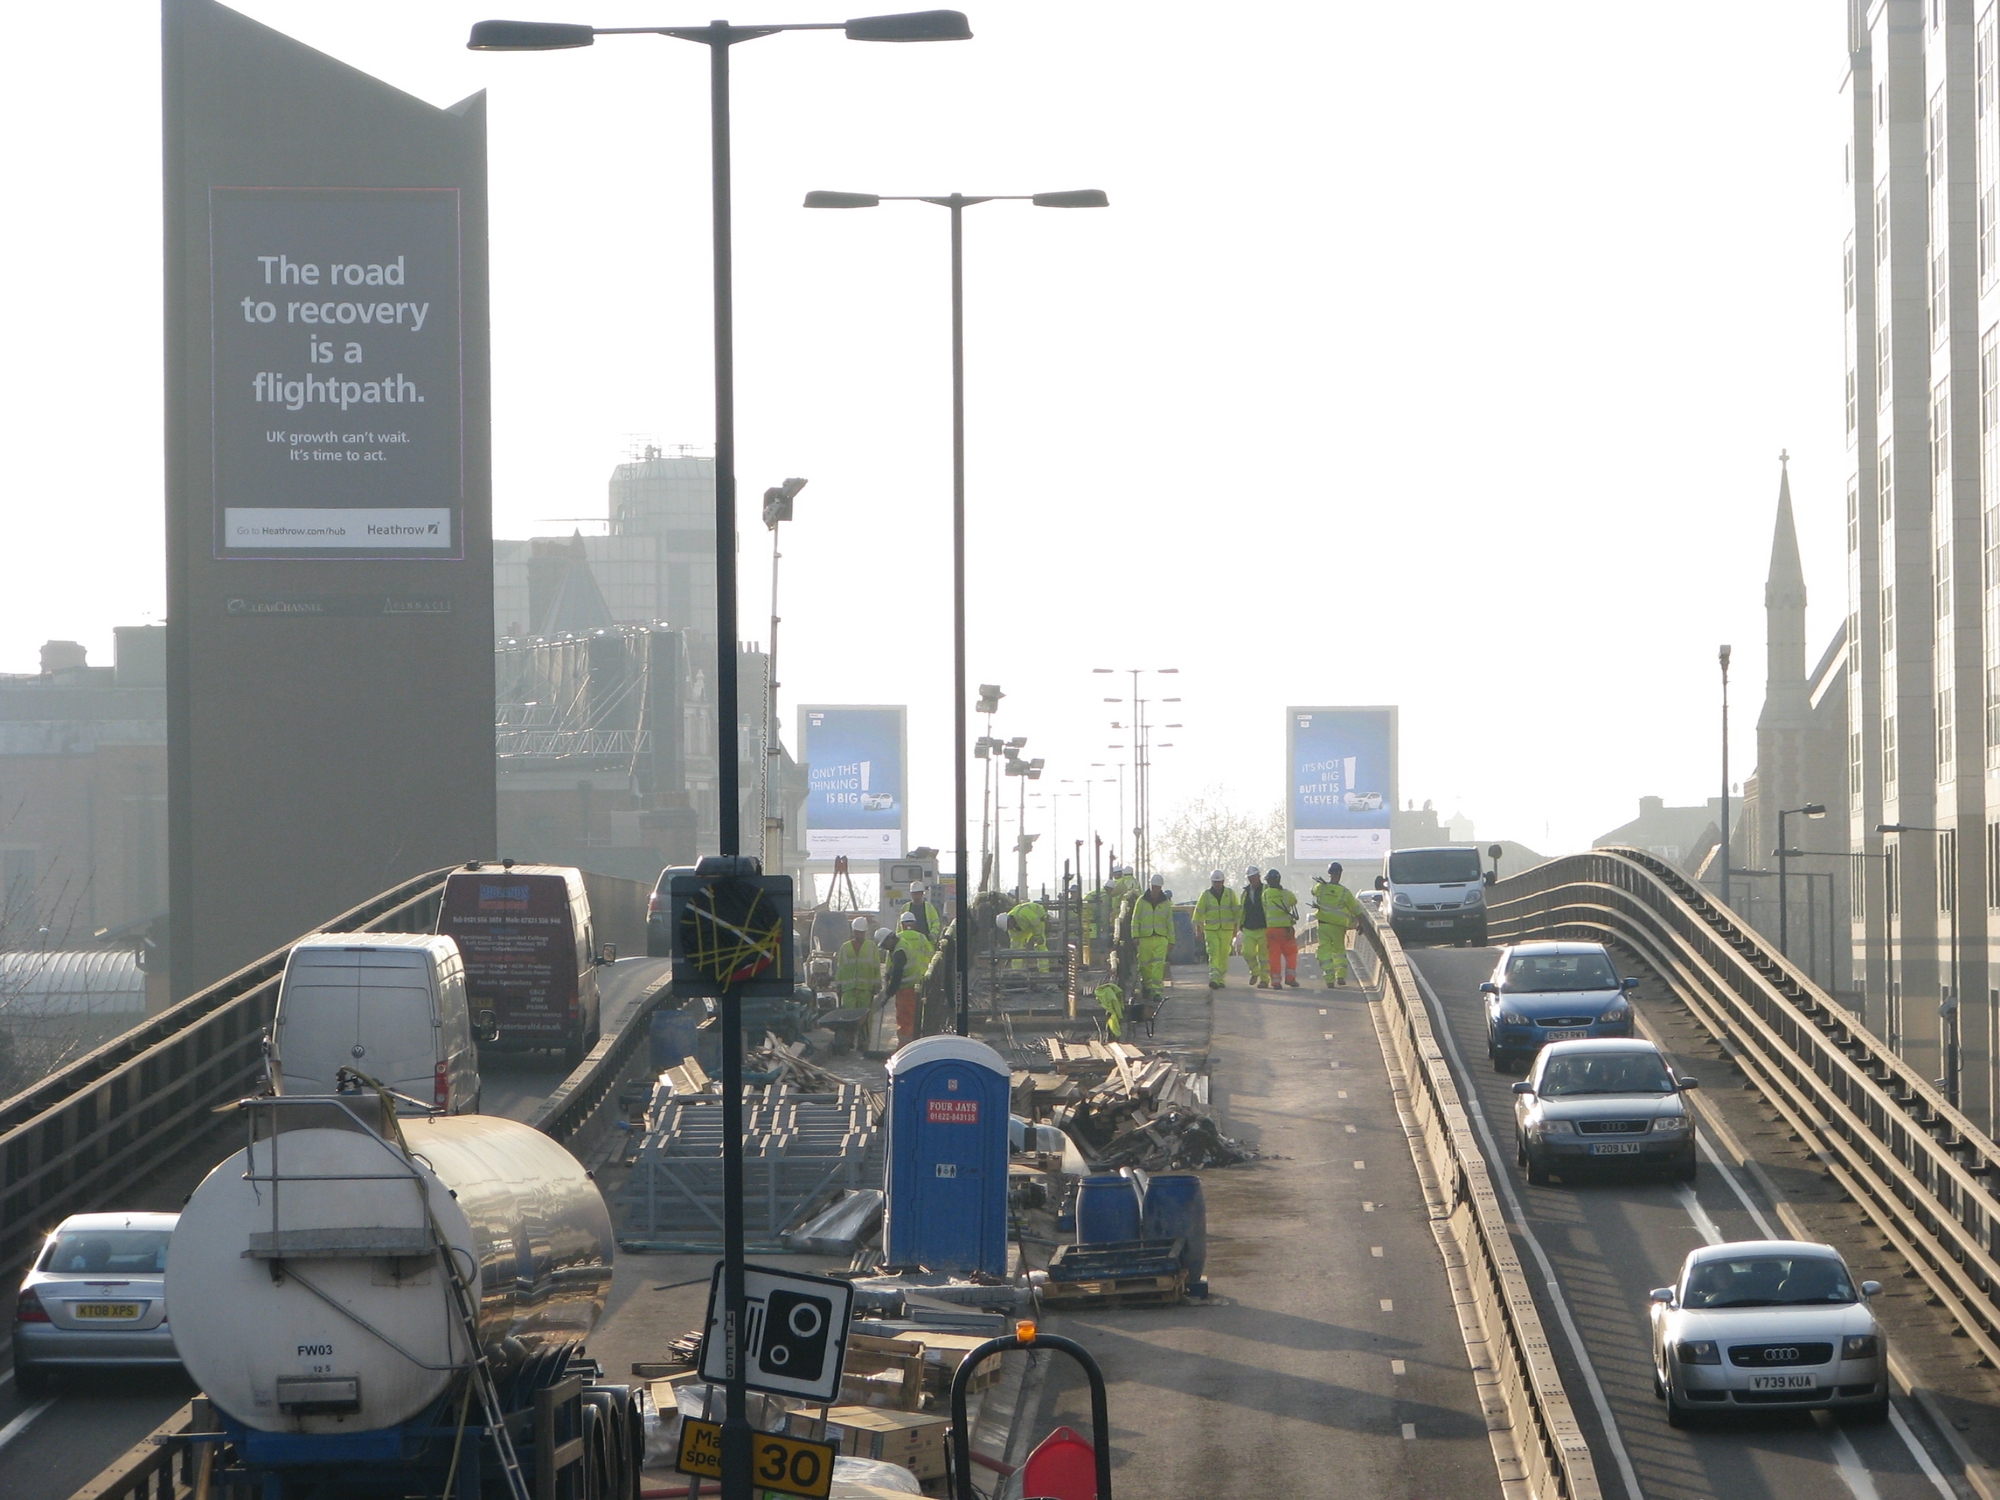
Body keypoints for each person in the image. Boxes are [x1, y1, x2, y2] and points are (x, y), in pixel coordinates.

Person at [1311, 862, 1366, 987]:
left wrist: (1321, 884)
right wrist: (1360, 923)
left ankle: (1329, 978)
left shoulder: (1321, 887)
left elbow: (1313, 891)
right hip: (1338, 927)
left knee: (1324, 950)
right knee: (1339, 950)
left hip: (1323, 925)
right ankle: (1340, 975)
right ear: (1340, 874)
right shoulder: (1344, 892)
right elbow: (1356, 910)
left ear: (1329, 873)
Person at [885, 911, 935, 1045]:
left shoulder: (898, 939)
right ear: (914, 924)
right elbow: (931, 956)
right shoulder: (921, 938)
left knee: (904, 1014)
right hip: (921, 979)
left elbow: (891, 964)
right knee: (917, 1013)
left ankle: (905, 1042)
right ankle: (916, 1037)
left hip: (904, 984)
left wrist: (888, 981)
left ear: (901, 924)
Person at [1193, 869, 1241, 990]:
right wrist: (1198, 929)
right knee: (1213, 952)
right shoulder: (1206, 895)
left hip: (1227, 929)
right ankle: (1214, 977)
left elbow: (1237, 911)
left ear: (1223, 881)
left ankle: (1221, 978)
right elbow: (1199, 912)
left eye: (1219, 882)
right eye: (1215, 882)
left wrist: (1238, 927)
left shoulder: (1230, 894)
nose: (1217, 884)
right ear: (1212, 882)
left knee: (1224, 953)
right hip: (1211, 929)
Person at [1132, 874, 1175, 997]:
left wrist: (1171, 941)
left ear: (1161, 887)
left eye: (1157, 887)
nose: (1155, 889)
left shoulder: (1165, 903)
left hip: (1161, 938)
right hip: (1144, 938)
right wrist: (1135, 936)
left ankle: (1156, 991)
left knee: (1158, 965)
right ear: (1150, 885)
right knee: (1144, 965)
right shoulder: (1141, 901)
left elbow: (1169, 922)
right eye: (1153, 887)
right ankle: (1147, 986)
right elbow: (1136, 919)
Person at [1262, 868, 1300, 988]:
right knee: (1291, 954)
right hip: (1286, 930)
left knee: (1274, 956)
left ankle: (1275, 981)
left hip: (1271, 930)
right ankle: (1290, 978)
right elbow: (1294, 901)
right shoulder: (1287, 894)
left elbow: (1264, 909)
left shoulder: (1265, 894)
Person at [834, 915, 881, 1009]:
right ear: (853, 932)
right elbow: (840, 967)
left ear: (865, 932)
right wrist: (838, 984)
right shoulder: (845, 947)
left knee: (864, 1016)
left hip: (866, 990)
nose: (859, 935)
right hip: (848, 989)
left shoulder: (872, 947)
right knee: (848, 1016)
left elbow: (876, 968)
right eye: (857, 933)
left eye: (861, 933)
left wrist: (877, 985)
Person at [1240, 865, 1270, 988]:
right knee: (1247, 953)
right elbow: (1242, 910)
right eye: (1250, 877)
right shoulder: (1245, 892)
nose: (1252, 879)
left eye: (1254, 876)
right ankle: (1255, 972)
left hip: (1263, 927)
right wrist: (1240, 924)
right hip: (1248, 927)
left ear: (1259, 876)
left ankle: (1264, 980)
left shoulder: (1266, 890)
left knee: (1264, 956)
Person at [1007, 894, 1049, 972]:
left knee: (1040, 947)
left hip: (1038, 918)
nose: (1010, 928)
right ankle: (1016, 972)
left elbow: (1037, 923)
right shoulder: (1011, 926)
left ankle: (1044, 971)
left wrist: (1038, 936)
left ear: (1010, 920)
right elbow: (1015, 943)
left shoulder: (1023, 913)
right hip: (1024, 925)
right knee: (1016, 950)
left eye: (1009, 926)